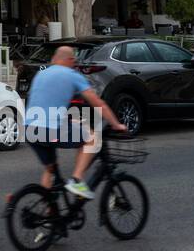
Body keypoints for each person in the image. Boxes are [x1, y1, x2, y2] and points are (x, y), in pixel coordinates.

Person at [24, 45, 126, 200]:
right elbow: (98, 103)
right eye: (74, 61)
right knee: (93, 137)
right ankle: (76, 180)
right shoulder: (72, 75)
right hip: (50, 129)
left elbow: (45, 102)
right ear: (70, 60)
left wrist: (69, 119)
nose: (75, 64)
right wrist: (116, 124)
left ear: (55, 59)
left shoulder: (41, 73)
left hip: (29, 129)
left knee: (50, 169)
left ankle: (49, 213)